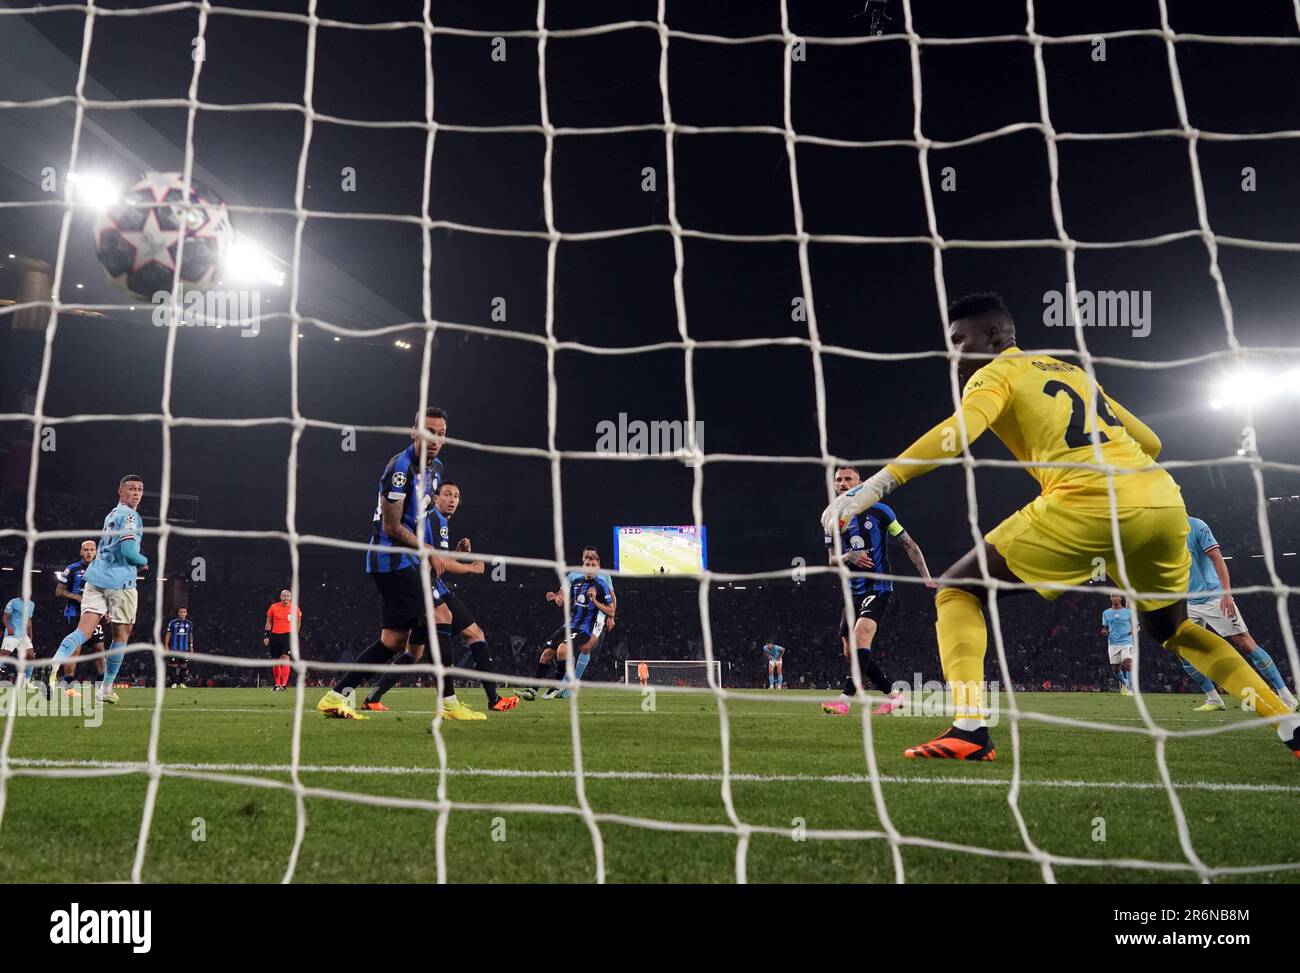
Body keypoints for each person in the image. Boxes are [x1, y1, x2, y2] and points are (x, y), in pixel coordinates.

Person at [822, 292, 1299, 761]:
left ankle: (969, 727)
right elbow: (1151, 441)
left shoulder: (996, 374)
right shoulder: (1071, 371)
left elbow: (958, 432)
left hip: (1086, 503)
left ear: (993, 335)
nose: (954, 354)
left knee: (957, 591)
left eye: (960, 341)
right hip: (1162, 502)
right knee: (1176, 631)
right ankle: (1288, 722)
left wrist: (875, 486)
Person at [316, 407, 484, 721]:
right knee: (441, 614)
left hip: (406, 560)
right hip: (390, 560)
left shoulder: (436, 470)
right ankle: (448, 703)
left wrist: (439, 551)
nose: (435, 439)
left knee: (392, 642)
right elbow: (392, 527)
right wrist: (429, 551)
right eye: (428, 431)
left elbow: (418, 519)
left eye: (441, 434)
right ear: (414, 432)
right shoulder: (400, 468)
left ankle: (335, 696)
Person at [821, 465, 936, 717]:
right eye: (838, 480)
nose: (843, 483)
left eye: (848, 479)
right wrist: (849, 555)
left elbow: (908, 544)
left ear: (860, 482)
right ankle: (893, 696)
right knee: (850, 651)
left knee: (861, 636)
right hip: (851, 592)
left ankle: (845, 699)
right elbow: (831, 560)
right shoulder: (830, 518)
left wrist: (926, 577)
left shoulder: (881, 511)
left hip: (879, 586)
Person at [47, 475, 150, 705]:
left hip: (94, 579)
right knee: (121, 636)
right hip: (119, 582)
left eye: (140, 489)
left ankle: (55, 663)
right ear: (120, 492)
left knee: (83, 631)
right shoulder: (131, 516)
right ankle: (105, 689)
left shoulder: (112, 514)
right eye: (131, 489)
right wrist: (144, 560)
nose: (136, 493)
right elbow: (129, 552)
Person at [1178, 515, 1298, 711]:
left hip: (1213, 597)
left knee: (1245, 642)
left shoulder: (1197, 526)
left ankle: (1286, 696)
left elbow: (1217, 558)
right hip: (1188, 602)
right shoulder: (1166, 532)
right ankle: (1214, 699)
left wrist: (1226, 594)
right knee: (1183, 651)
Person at [520, 549, 614, 701]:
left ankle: (569, 684)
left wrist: (611, 617)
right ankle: (554, 685)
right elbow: (563, 595)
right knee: (556, 649)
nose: (588, 563)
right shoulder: (574, 576)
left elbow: (612, 599)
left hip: (598, 614)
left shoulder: (604, 578)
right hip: (575, 617)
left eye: (592, 560)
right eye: (586, 558)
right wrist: (557, 598)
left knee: (585, 647)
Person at [52, 540, 106, 696]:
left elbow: (105, 592)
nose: (89, 552)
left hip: (94, 615)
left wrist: (107, 610)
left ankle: (102, 686)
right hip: (74, 615)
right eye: (86, 550)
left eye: (92, 549)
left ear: (96, 551)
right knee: (75, 650)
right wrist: (77, 597)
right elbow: (59, 591)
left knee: (99, 649)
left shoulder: (101, 569)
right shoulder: (72, 569)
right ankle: (68, 686)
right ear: (81, 552)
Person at [264, 590, 303, 692]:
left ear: (290, 597)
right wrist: (266, 636)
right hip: (275, 635)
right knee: (275, 660)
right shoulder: (273, 607)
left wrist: (296, 634)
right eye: (284, 596)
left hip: (288, 635)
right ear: (280, 597)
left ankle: (284, 684)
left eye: (288, 596)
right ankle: (277, 684)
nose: (286, 598)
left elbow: (298, 621)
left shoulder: (294, 608)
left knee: (285, 658)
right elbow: (269, 622)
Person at [1100, 595, 1135, 696]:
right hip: (1113, 643)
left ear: (1121, 599)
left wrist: (1134, 631)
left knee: (1129, 663)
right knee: (1115, 669)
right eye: (1113, 596)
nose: (1115, 598)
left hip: (1127, 642)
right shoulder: (1106, 613)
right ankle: (1125, 683)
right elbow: (1105, 627)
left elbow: (1137, 627)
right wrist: (1104, 631)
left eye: (1117, 596)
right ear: (1111, 599)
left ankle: (1130, 689)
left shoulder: (1129, 612)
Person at [166, 606, 195, 688]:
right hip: (174, 648)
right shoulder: (173, 622)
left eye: (184, 612)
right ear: (178, 613)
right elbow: (168, 634)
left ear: (186, 613)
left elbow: (190, 635)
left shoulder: (189, 623)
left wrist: (191, 646)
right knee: (174, 665)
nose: (182, 613)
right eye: (181, 612)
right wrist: (166, 645)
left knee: (183, 665)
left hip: (185, 648)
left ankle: (182, 683)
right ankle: (174, 683)